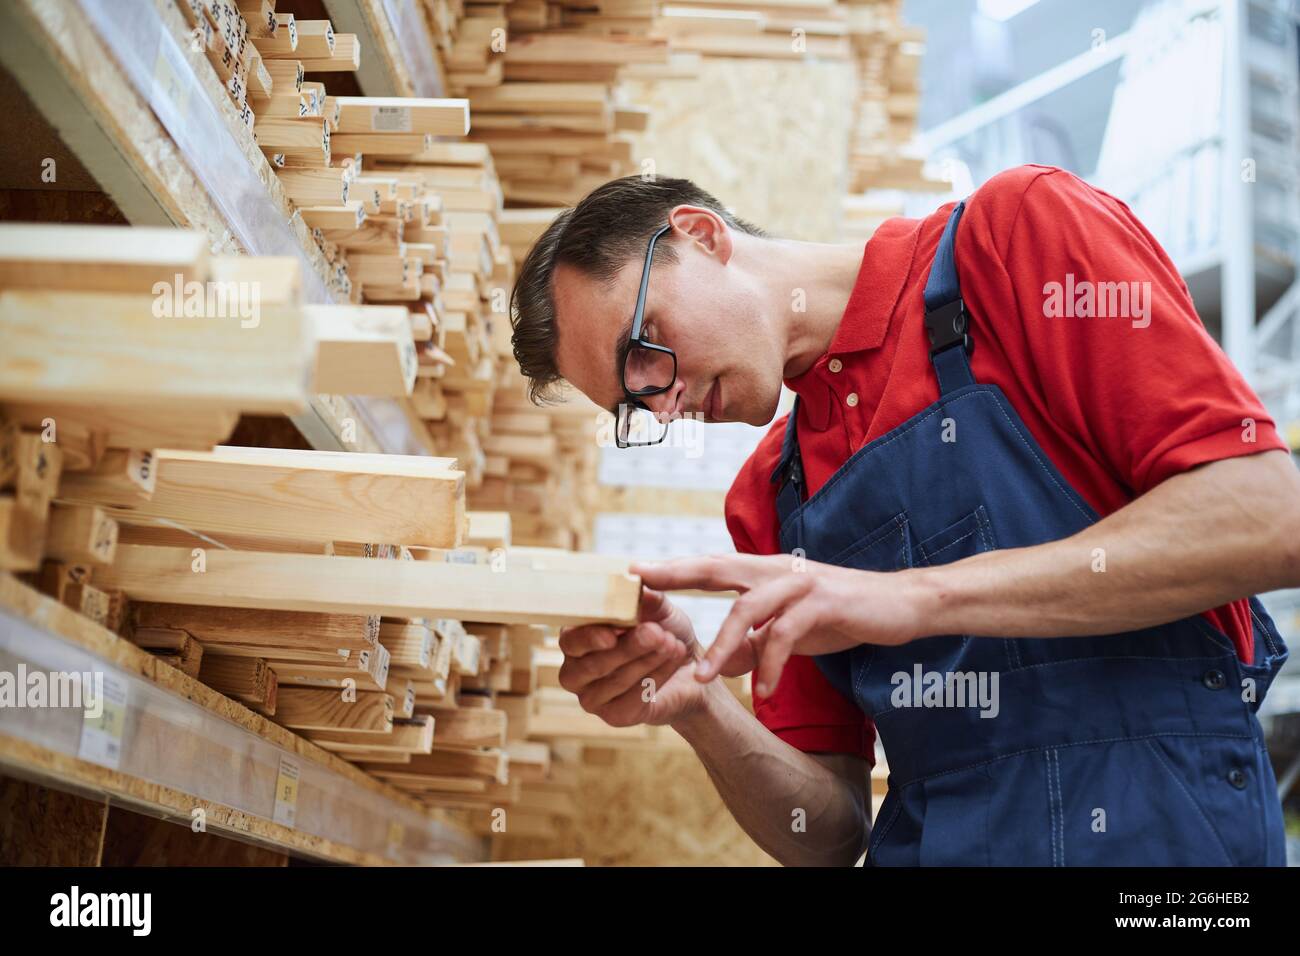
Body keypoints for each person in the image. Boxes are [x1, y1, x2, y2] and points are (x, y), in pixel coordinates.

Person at [508, 165, 1298, 865]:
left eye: (644, 349)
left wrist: (908, 599)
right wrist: (698, 702)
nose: (664, 398)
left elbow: (1270, 520)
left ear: (700, 236)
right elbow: (828, 832)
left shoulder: (1014, 240)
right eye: (634, 403)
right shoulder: (772, 496)